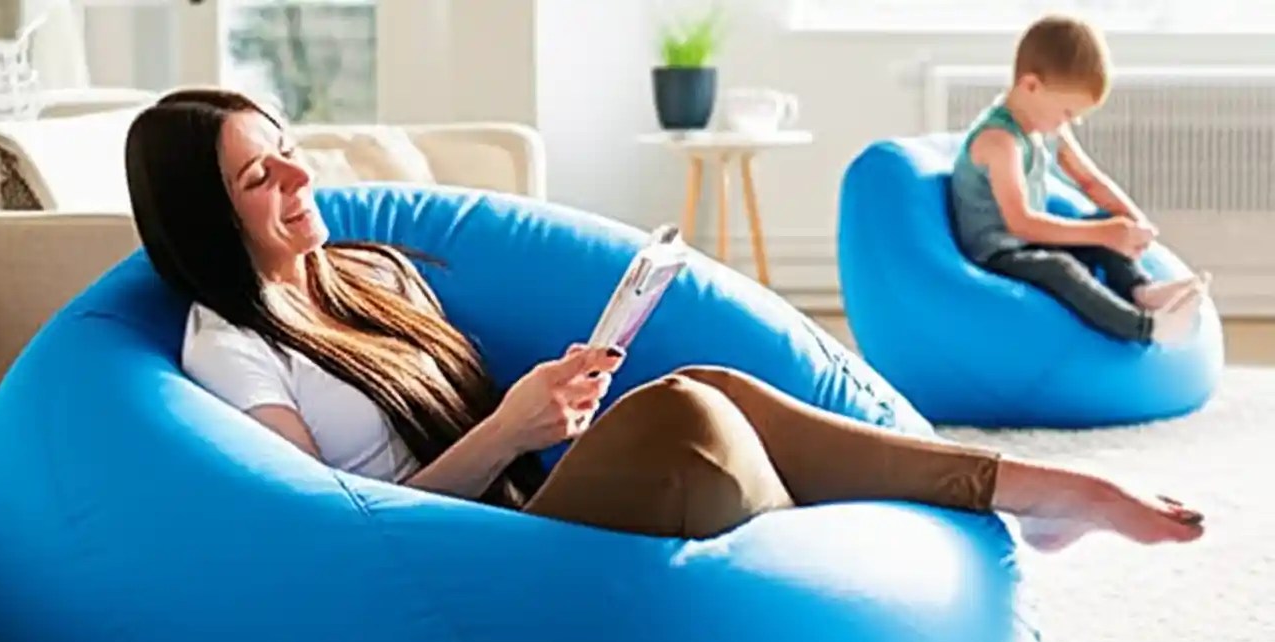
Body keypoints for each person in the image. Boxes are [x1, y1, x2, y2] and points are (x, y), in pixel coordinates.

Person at [123, 87, 1204, 553]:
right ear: (205, 215)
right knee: (693, 420)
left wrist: (548, 410)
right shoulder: (231, 350)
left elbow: (456, 411)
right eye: (259, 175)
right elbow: (326, 529)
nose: (299, 174)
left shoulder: (363, 274)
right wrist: (506, 429)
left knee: (713, 400)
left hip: (524, 493)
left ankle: (1039, 494)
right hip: (465, 546)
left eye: (287, 145)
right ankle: (1031, 494)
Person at [950, 14, 1208, 345]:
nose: (1069, 122)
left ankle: (1141, 290)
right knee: (1060, 268)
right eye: (1068, 112)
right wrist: (1103, 234)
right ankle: (1146, 329)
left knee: (1104, 222)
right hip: (996, 252)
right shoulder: (1000, 141)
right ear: (1031, 86)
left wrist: (1131, 220)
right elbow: (1020, 223)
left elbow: (1089, 180)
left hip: (1029, 243)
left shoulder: (1047, 127)